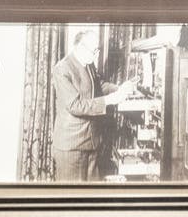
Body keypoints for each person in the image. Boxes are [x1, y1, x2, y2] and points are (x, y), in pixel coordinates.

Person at [52, 29, 134, 181]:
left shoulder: (88, 64)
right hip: (71, 146)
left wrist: (119, 88)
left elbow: (98, 85)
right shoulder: (62, 69)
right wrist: (109, 100)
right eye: (94, 50)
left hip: (91, 142)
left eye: (98, 50)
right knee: (71, 193)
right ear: (80, 47)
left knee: (92, 191)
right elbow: (75, 105)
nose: (97, 55)